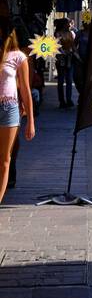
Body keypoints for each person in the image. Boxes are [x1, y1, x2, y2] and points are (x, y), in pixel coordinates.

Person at [0, 18, 35, 205]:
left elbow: (25, 89)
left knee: (5, 159)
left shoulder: (19, 57)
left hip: (9, 108)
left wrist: (30, 120)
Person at [54, 19, 76, 109]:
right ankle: (62, 101)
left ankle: (69, 99)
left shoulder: (71, 33)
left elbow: (73, 45)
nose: (69, 25)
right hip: (61, 59)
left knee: (69, 80)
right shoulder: (58, 34)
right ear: (63, 25)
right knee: (61, 80)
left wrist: (75, 53)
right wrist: (64, 52)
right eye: (67, 24)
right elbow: (57, 45)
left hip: (70, 58)